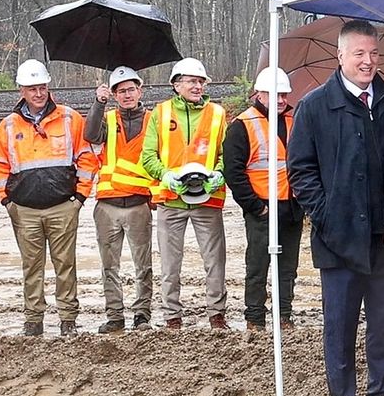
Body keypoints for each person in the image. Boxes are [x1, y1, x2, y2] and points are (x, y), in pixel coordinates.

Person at [289, 20, 384, 396]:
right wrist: (325, 215)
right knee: (339, 322)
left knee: (383, 319)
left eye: (373, 53)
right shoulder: (314, 106)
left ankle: (383, 393)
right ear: (340, 56)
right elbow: (301, 171)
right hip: (337, 236)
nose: (367, 61)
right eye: (359, 53)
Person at [0, 60, 98, 336]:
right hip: (24, 209)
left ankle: (67, 318)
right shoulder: (7, 127)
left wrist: (79, 197)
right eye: (32, 89)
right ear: (21, 91)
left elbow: (87, 158)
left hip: (63, 205)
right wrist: (7, 201)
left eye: (42, 87)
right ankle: (33, 319)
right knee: (32, 266)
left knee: (65, 263)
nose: (38, 94)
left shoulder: (69, 118)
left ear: (48, 87)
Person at [140, 57, 229, 330]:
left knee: (215, 261)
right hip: (171, 199)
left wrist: (218, 174)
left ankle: (217, 314)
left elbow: (227, 153)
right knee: (170, 263)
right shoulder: (161, 113)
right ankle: (172, 317)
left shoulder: (217, 113)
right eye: (192, 81)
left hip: (208, 199)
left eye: (201, 81)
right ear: (176, 85)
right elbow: (148, 156)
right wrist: (166, 176)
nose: (198, 86)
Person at [223, 66, 302, 332]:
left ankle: (284, 315)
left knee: (288, 267)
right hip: (262, 208)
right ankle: (255, 319)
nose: (281, 100)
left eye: (284, 95)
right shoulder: (242, 125)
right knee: (257, 266)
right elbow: (233, 172)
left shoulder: (293, 121)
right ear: (260, 93)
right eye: (275, 95)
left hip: (291, 207)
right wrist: (256, 207)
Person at [85, 66, 156, 334]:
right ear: (114, 94)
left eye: (130, 89)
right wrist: (98, 102)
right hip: (108, 204)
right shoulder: (109, 119)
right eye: (120, 91)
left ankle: (142, 315)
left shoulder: (153, 120)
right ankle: (115, 316)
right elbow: (91, 134)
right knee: (109, 266)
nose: (126, 95)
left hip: (139, 203)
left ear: (140, 90)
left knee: (143, 265)